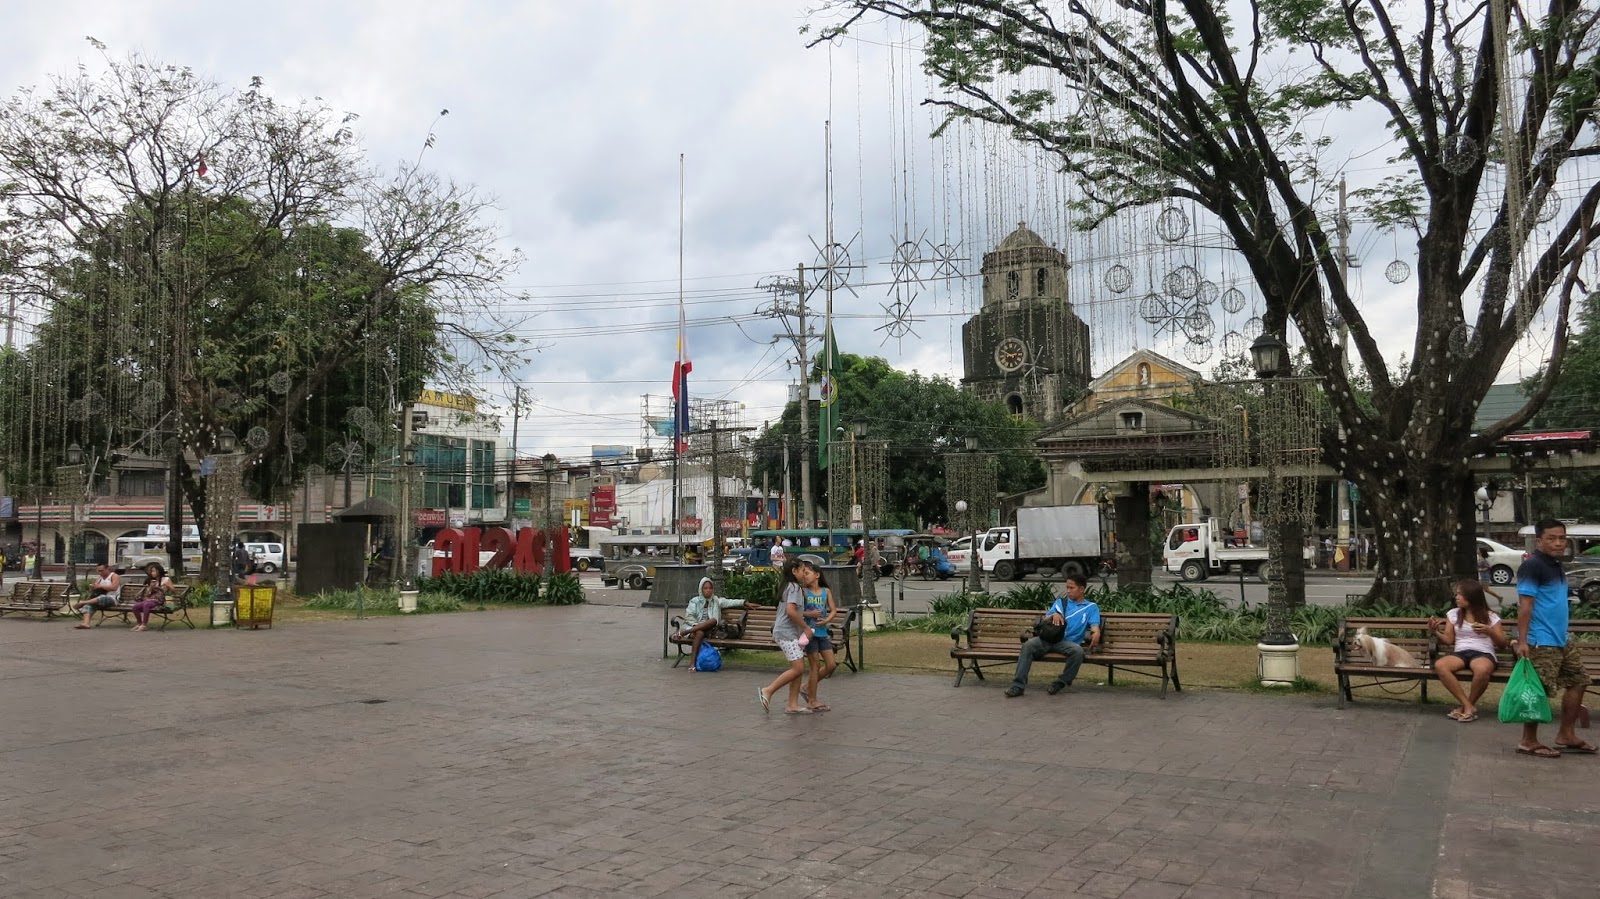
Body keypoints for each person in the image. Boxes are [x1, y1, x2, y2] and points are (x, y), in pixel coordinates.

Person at [1511, 520, 1595, 758]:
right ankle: (1528, 741)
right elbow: (1525, 606)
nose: (1558, 543)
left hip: (1561, 639)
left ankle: (1566, 734)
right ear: (1539, 541)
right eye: (1552, 538)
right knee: (1537, 690)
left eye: (1562, 538)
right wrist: (1522, 642)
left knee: (1579, 680)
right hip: (1541, 640)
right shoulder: (1532, 566)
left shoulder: (1556, 565)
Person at [1006, 572, 1101, 698]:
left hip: (1067, 643)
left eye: (1071, 588)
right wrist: (1053, 615)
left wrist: (1096, 633)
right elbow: (1045, 620)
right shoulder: (1061, 603)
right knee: (1028, 645)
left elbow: (1094, 625)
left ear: (1082, 589)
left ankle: (1060, 682)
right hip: (1048, 639)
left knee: (1078, 652)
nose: (1068, 591)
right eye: (1067, 587)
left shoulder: (1091, 607)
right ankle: (1018, 686)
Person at [1428, 580, 1506, 722]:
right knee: (1440, 665)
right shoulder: (1453, 614)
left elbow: (1502, 644)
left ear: (1471, 597)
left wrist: (1489, 632)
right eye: (1456, 594)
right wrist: (1435, 632)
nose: (1456, 597)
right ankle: (1468, 706)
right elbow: (1448, 640)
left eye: (1460, 594)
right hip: (1461, 652)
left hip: (1483, 653)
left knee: (1482, 670)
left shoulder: (1490, 617)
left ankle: (1466, 707)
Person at [757, 557, 816, 714]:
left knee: (798, 668)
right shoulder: (794, 587)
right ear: (794, 571)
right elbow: (791, 612)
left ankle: (792, 704)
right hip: (786, 633)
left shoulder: (791, 587)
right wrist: (806, 628)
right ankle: (768, 690)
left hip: (788, 632)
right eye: (803, 571)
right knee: (798, 668)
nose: (805, 574)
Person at [676, 577, 757, 667]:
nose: (708, 590)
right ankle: (692, 664)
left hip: (709, 630)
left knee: (713, 620)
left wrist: (744, 603)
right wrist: (696, 625)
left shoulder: (716, 601)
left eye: (710, 588)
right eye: (705, 588)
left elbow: (730, 602)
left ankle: (683, 633)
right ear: (701, 589)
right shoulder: (694, 601)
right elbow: (689, 616)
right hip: (693, 628)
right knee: (699, 633)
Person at [798, 560, 838, 712]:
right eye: (804, 573)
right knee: (815, 666)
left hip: (822, 632)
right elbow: (798, 612)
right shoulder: (804, 592)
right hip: (810, 633)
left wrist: (827, 620)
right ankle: (812, 700)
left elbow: (833, 610)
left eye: (807, 573)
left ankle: (807, 687)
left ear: (817, 575)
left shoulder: (825, 591)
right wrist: (810, 614)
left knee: (831, 664)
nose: (805, 576)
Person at [72, 563, 122, 629]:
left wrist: (100, 586)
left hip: (113, 598)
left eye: (102, 570)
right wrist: (93, 587)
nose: (100, 572)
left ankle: (83, 602)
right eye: (98, 571)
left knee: (101, 598)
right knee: (88, 605)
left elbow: (114, 587)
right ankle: (86, 623)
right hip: (99, 599)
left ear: (107, 569)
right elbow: (96, 586)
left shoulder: (114, 576)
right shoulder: (100, 578)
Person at [129, 562, 175, 632]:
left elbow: (173, 590)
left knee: (146, 605)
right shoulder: (151, 580)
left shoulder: (166, 579)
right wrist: (150, 588)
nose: (152, 573)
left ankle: (144, 624)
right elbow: (148, 594)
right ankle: (139, 623)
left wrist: (167, 586)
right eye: (151, 571)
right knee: (135, 607)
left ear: (158, 571)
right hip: (150, 599)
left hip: (159, 600)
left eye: (153, 571)